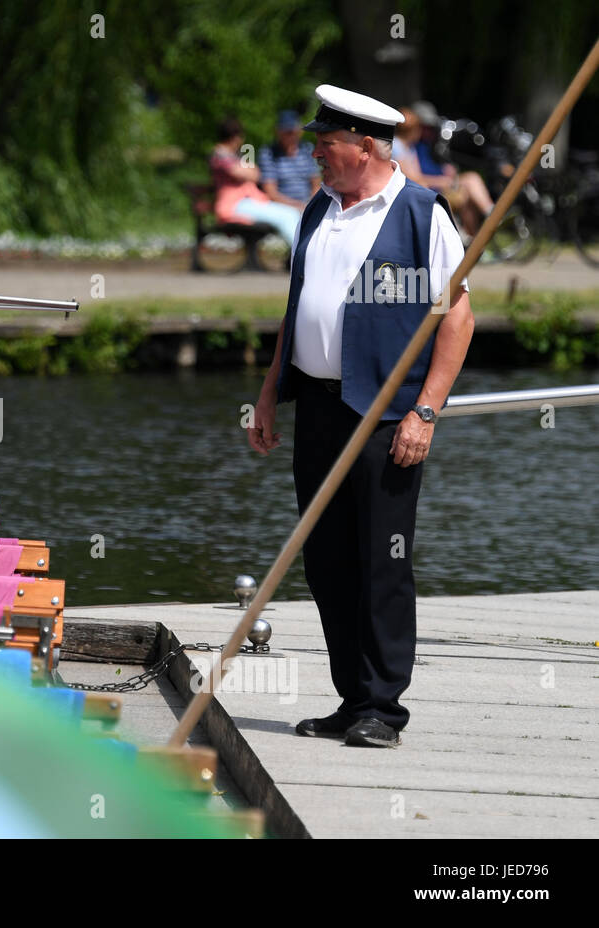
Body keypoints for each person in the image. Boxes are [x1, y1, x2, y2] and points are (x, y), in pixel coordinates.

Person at [246, 85, 475, 748]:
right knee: (326, 561)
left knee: (381, 559)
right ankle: (352, 697)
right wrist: (268, 395)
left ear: (366, 146)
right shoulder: (320, 208)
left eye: (327, 144)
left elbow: (457, 318)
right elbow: (298, 314)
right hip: (318, 406)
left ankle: (384, 707)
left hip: (385, 414)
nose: (315, 154)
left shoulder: (420, 213)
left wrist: (425, 411)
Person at [396, 103, 494, 238]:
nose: (428, 131)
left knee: (472, 179)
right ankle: (467, 238)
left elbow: (436, 165)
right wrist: (441, 181)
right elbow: (414, 178)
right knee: (463, 195)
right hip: (430, 188)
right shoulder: (405, 147)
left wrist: (446, 169)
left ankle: (490, 216)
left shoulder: (428, 144)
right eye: (424, 127)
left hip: (438, 183)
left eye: (429, 127)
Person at [210, 117, 301, 247]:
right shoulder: (220, 156)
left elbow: (255, 174)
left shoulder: (232, 156)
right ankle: (301, 254)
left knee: (290, 213)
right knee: (287, 215)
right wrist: (248, 169)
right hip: (233, 206)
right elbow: (250, 174)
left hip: (243, 203)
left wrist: (248, 169)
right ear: (236, 137)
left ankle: (300, 253)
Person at [257, 110, 322, 208]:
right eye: (287, 132)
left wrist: (310, 206)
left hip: (308, 204)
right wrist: (298, 207)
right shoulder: (268, 153)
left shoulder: (308, 149)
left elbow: (316, 184)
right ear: (278, 132)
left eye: (293, 131)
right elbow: (271, 192)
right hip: (281, 207)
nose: (291, 135)